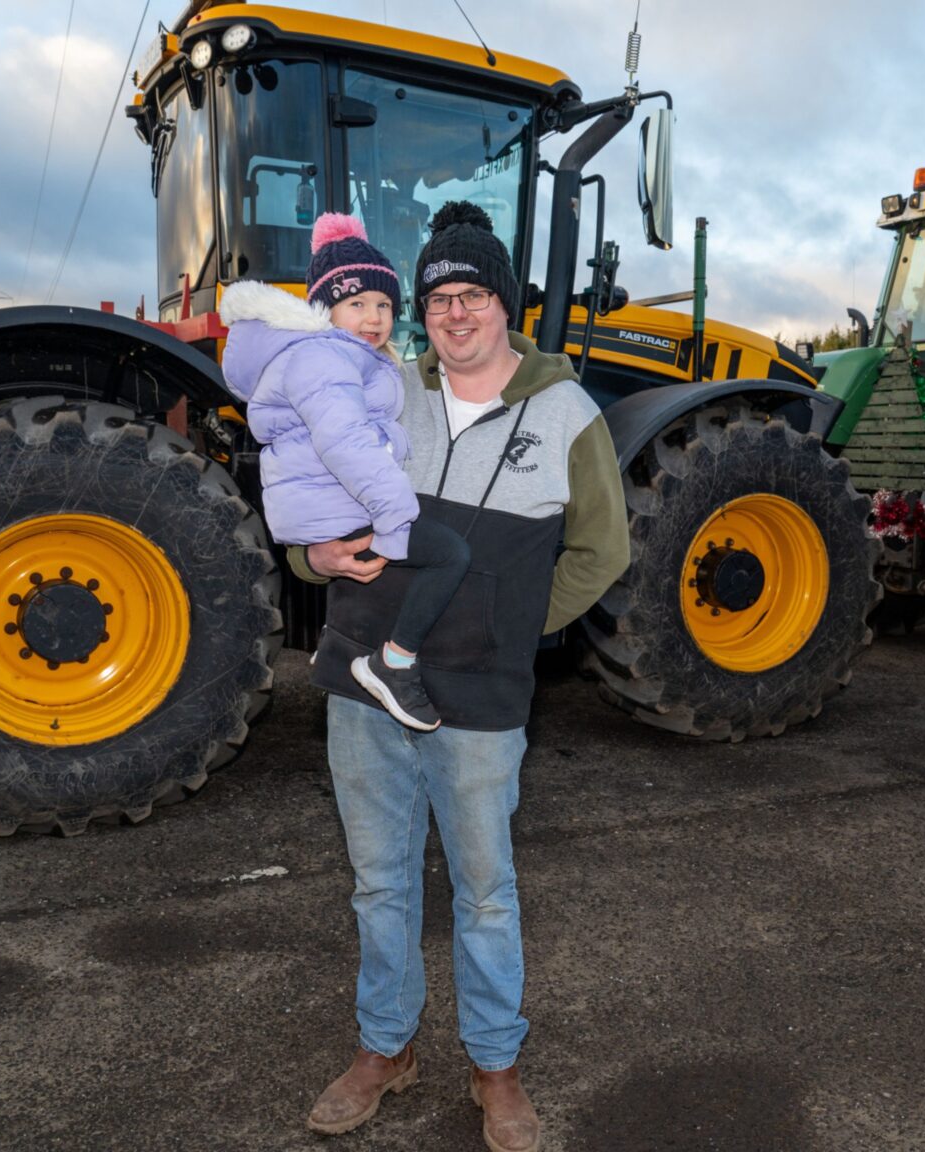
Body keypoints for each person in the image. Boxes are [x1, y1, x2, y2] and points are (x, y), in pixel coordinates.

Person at [292, 201, 629, 1152]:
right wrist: (316, 560)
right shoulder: (382, 390)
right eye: (438, 294)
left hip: (479, 698)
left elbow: (602, 553)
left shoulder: (567, 415)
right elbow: (306, 509)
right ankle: (385, 1049)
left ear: (505, 304)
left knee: (484, 889)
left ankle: (495, 1066)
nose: (454, 311)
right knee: (378, 882)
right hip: (367, 685)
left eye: (473, 292)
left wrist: (509, 631)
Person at [219, 213, 472, 730]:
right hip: (341, 499)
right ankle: (395, 663)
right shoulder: (325, 358)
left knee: (382, 568)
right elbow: (345, 443)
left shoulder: (338, 354)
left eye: (383, 304)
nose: (374, 317)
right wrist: (394, 511)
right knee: (448, 555)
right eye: (357, 303)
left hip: (327, 503)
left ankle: (338, 651)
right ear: (324, 308)